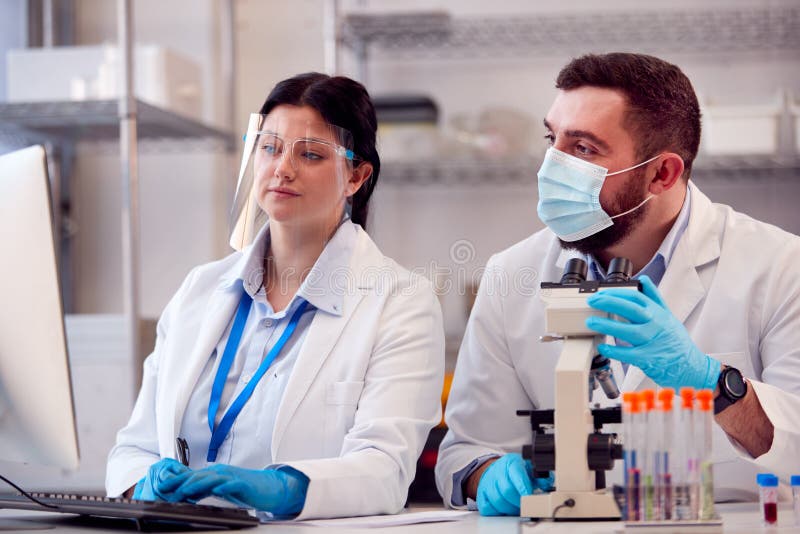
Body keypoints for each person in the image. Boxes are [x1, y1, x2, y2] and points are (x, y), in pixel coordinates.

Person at [435, 53, 800, 516]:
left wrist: (715, 385)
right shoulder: (511, 273)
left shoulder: (781, 266)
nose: (551, 167)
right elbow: (466, 452)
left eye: (584, 149)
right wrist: (488, 474)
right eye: (552, 139)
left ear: (662, 173)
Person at [106, 72, 445, 520]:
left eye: (310, 154)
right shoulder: (199, 290)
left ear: (356, 176)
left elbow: (384, 470)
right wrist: (143, 485)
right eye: (269, 147)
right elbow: (133, 448)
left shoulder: (400, 303)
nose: (282, 168)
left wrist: (285, 489)